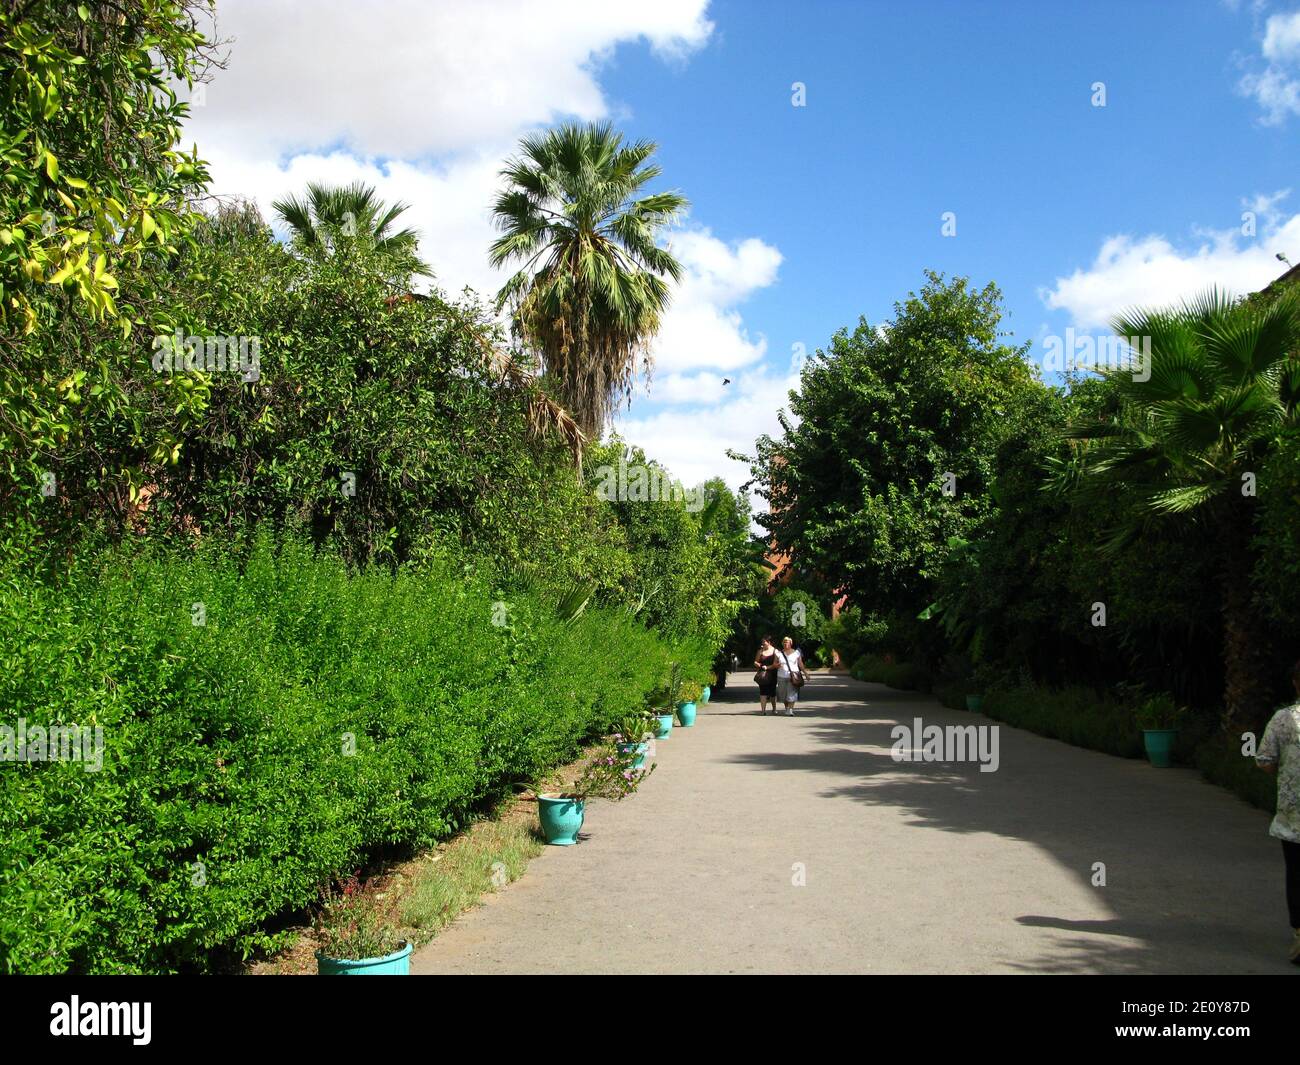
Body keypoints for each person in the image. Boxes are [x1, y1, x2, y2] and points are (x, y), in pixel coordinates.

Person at [1256, 658, 1300, 966]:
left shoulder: (1283, 719)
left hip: (1293, 815)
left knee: (1297, 874)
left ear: (1296, 683)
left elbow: (1265, 761)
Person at [774, 636, 808, 717]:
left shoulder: (796, 653)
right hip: (781, 676)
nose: (786, 643)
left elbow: (800, 664)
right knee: (783, 694)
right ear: (782, 643)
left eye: (787, 642)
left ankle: (790, 710)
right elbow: (774, 664)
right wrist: (777, 665)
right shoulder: (778, 653)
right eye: (784, 642)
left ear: (791, 643)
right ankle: (787, 708)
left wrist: (806, 673)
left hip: (793, 676)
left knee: (792, 693)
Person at [753, 636, 778, 715]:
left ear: (769, 642)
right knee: (763, 692)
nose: (763, 644)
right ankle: (763, 710)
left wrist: (767, 667)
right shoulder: (760, 651)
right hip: (762, 675)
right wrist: (758, 665)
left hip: (772, 674)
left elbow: (775, 664)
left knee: (772, 692)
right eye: (762, 642)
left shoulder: (775, 651)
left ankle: (774, 709)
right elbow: (755, 662)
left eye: (764, 642)